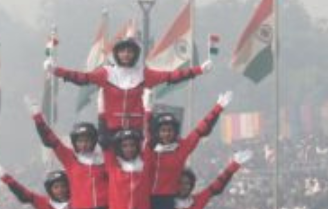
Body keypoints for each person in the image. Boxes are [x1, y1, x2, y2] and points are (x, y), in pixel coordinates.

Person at [47, 35, 210, 137]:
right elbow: (82, 78)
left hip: (136, 131)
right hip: (111, 129)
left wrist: (199, 69)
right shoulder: (106, 73)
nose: (126, 54)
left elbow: (172, 76)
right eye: (122, 51)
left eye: (129, 51)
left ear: (135, 54)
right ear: (116, 54)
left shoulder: (143, 74)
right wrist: (56, 70)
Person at [148, 95, 230, 209]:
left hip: (166, 201)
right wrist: (146, 109)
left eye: (170, 130)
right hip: (145, 199)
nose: (166, 134)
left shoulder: (182, 148)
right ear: (157, 132)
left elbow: (200, 131)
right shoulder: (149, 149)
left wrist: (217, 108)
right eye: (163, 131)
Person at [101, 128, 156, 209]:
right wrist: (102, 114)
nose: (129, 149)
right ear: (119, 148)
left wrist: (147, 111)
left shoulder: (144, 166)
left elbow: (150, 141)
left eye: (132, 145)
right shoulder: (113, 166)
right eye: (124, 146)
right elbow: (105, 143)